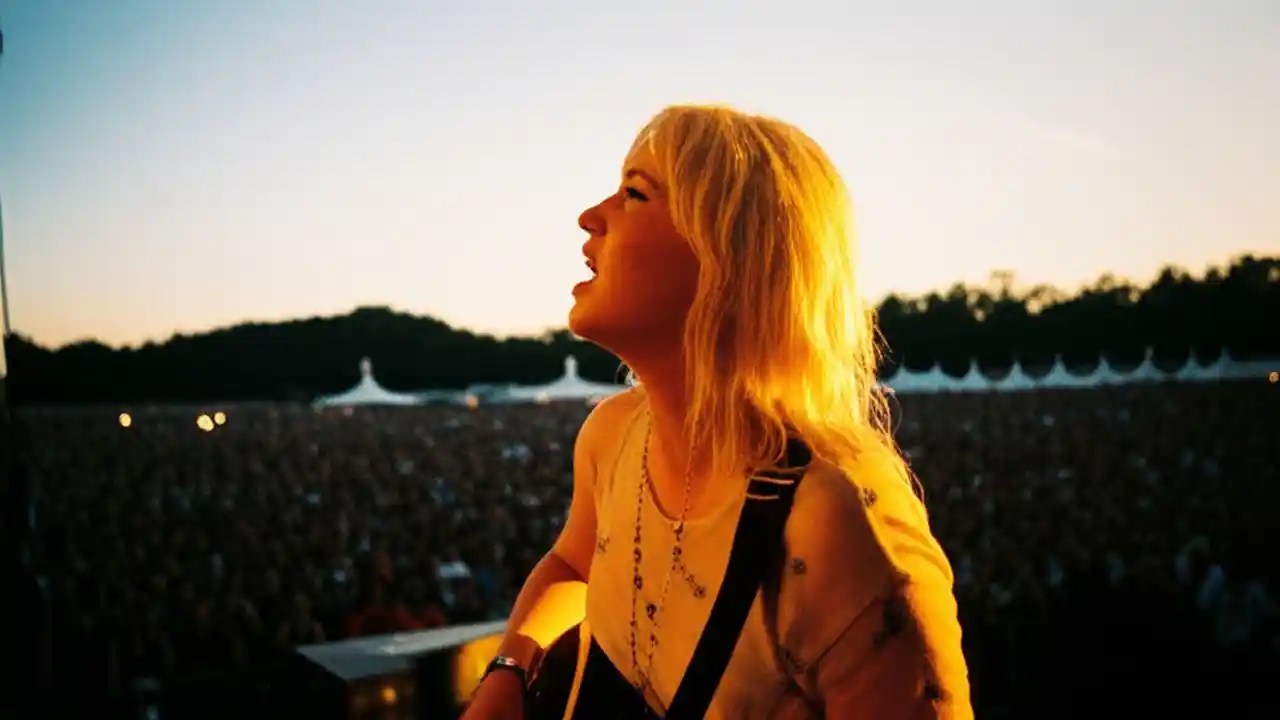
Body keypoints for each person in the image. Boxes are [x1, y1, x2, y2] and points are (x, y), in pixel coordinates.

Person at [463, 105, 972, 719]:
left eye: (634, 193)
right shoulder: (613, 435)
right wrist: (509, 672)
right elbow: (575, 560)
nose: (590, 217)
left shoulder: (840, 525)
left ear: (732, 254)